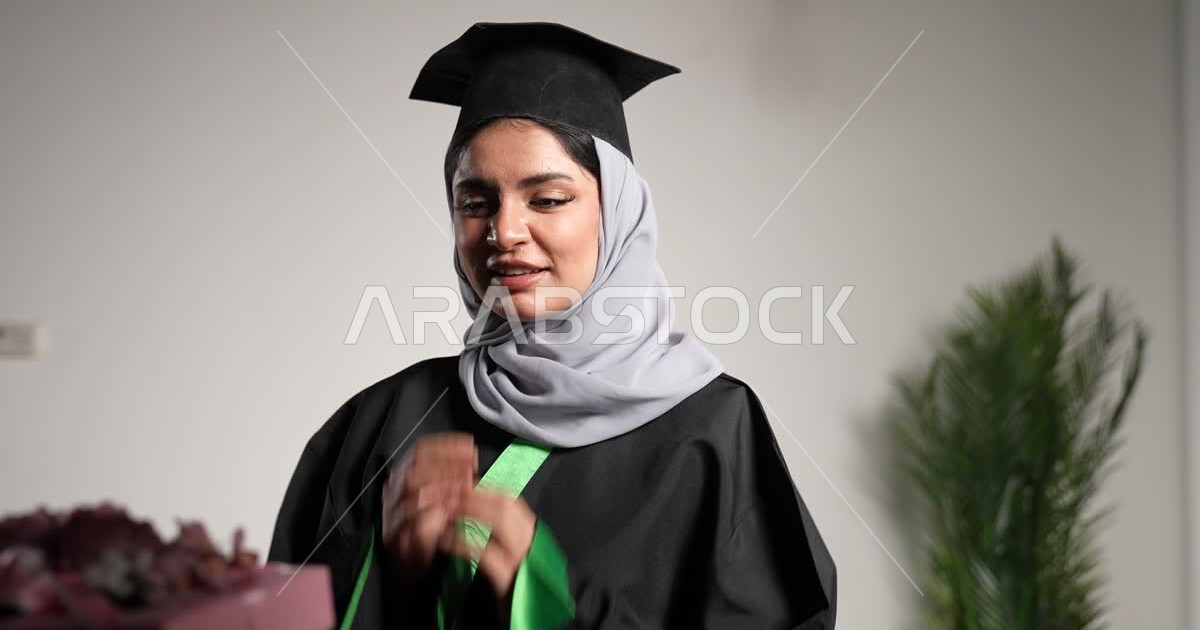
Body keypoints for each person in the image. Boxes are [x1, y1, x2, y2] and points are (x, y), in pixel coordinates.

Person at [268, 21, 837, 630]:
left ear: (616, 212)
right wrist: (393, 576)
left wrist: (546, 598)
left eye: (547, 199)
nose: (504, 233)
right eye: (475, 202)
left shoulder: (714, 431)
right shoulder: (382, 420)